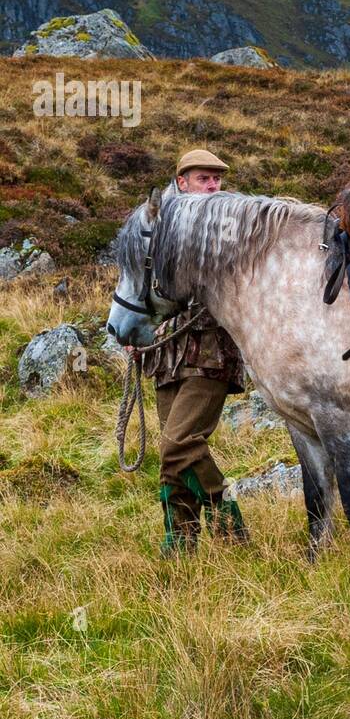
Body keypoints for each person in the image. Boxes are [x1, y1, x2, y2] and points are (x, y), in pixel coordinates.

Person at [139, 149, 249, 554]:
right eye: (204, 178)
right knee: (173, 457)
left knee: (178, 442)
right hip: (165, 355)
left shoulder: (234, 226)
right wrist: (138, 335)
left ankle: (230, 525)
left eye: (217, 179)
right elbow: (142, 288)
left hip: (212, 354)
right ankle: (180, 543)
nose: (214, 185)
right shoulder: (158, 228)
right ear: (181, 182)